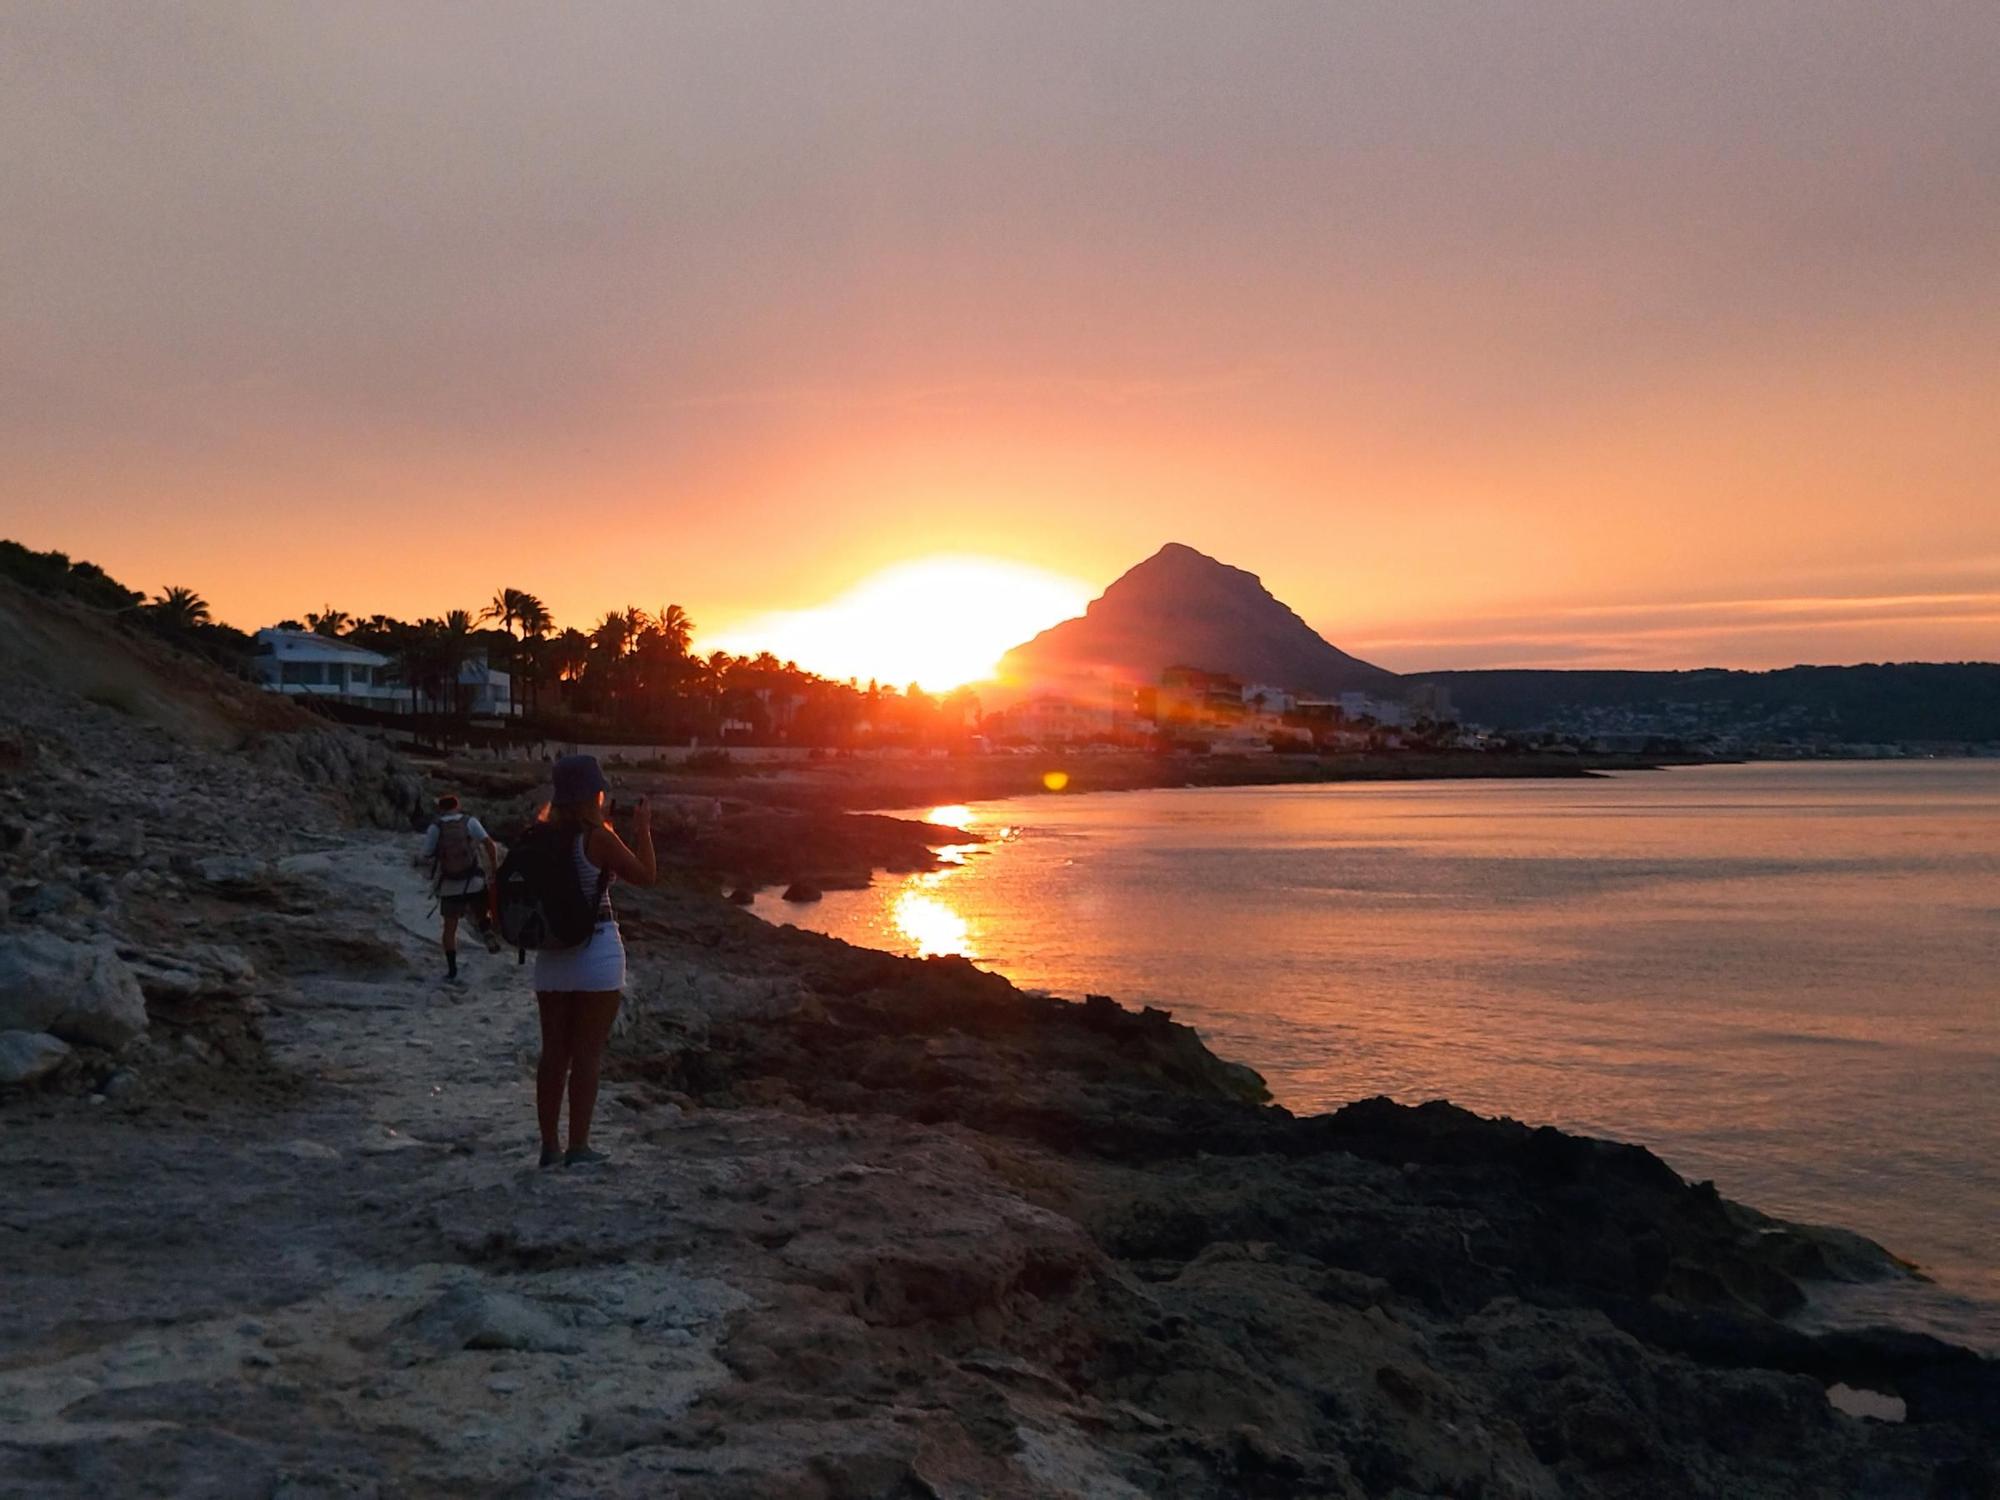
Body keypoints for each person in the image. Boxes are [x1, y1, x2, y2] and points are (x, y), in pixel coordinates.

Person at [532, 754, 656, 1168]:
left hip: (551, 958)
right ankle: (578, 1147)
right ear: (594, 793)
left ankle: (548, 1147)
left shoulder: (540, 835)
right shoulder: (597, 837)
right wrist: (642, 830)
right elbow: (646, 875)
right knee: (586, 1054)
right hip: (597, 952)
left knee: (553, 1054)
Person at [416, 793, 501, 981]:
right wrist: (494, 869)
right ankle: (486, 929)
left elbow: (427, 854)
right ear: (458, 806)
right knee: (482, 910)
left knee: (450, 928)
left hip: (449, 885)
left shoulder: (435, 827)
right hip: (474, 880)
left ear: (440, 808)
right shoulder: (470, 822)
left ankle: (452, 969)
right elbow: (489, 844)